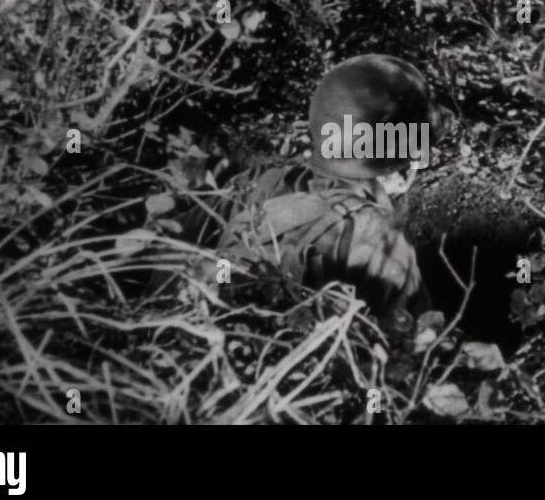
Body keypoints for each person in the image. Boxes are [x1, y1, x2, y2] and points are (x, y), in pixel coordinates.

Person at [168, 54, 447, 320]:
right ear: (402, 163)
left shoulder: (256, 181)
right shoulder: (377, 234)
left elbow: (171, 241)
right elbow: (414, 344)